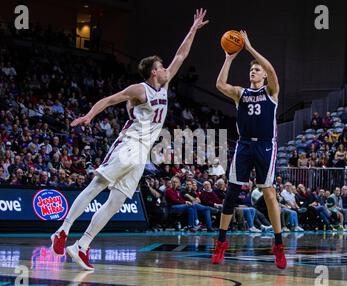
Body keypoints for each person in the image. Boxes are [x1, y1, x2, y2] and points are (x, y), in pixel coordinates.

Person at [50, 9, 209, 271]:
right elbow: (110, 100)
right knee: (97, 186)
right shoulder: (139, 89)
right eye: (161, 67)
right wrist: (90, 115)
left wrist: (192, 29)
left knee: (117, 201)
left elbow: (181, 54)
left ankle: (82, 246)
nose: (166, 70)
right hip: (128, 144)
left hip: (142, 153)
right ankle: (62, 230)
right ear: (153, 72)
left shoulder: (164, 85)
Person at [211, 30, 287, 269]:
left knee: (269, 193)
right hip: (244, 144)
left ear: (263, 74)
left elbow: (273, 71)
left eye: (257, 69)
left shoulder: (271, 92)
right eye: (251, 69)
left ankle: (278, 244)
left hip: (265, 144)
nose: (253, 71)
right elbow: (220, 84)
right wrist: (230, 57)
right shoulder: (241, 93)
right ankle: (221, 242)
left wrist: (250, 48)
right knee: (231, 194)